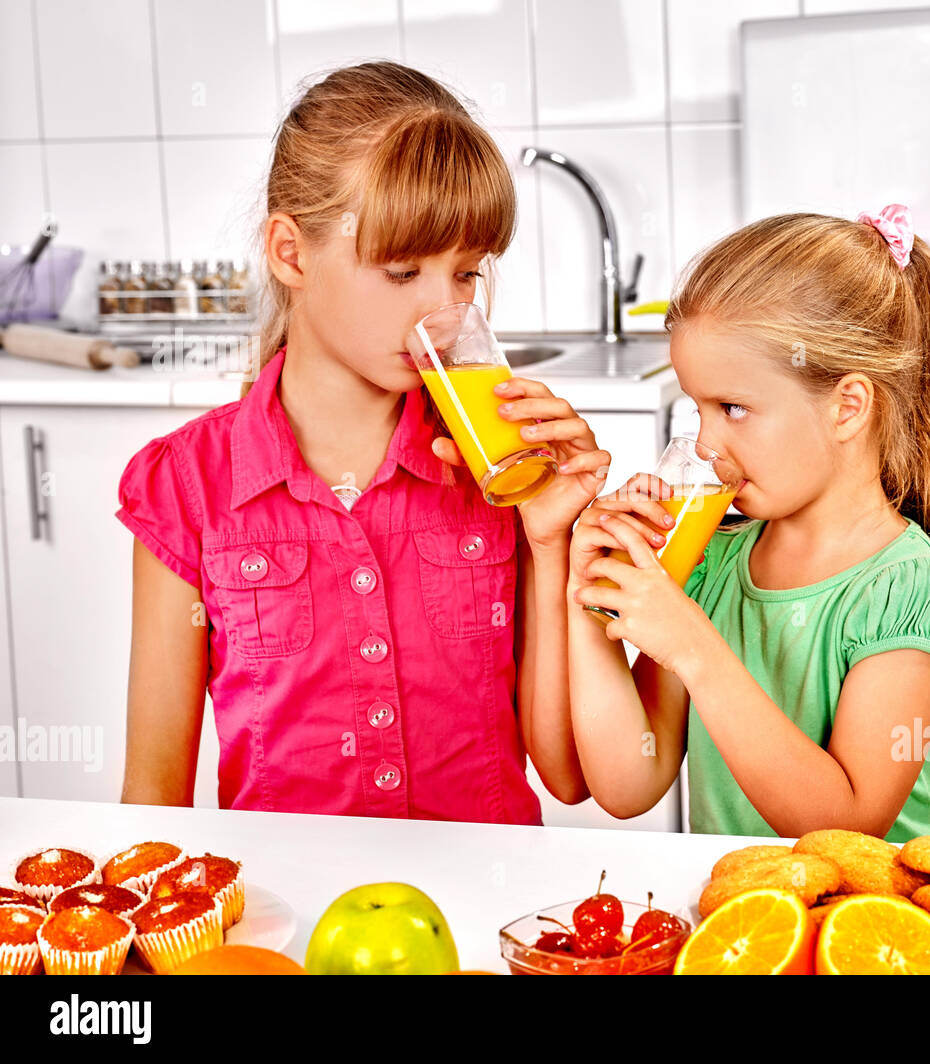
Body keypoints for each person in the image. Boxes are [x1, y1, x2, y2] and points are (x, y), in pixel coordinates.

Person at [117, 62, 606, 821]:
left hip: (482, 900)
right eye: (403, 270)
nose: (442, 309)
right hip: (287, 914)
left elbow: (569, 777)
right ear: (291, 253)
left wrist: (553, 544)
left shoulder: (504, 466)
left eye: (467, 275)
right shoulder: (186, 485)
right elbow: (151, 799)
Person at [567, 207, 930, 841]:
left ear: (847, 407)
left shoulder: (909, 590)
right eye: (697, 408)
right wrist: (594, 602)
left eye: (733, 408)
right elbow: (627, 784)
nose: (705, 443)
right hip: (759, 925)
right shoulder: (709, 566)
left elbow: (846, 825)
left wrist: (690, 642)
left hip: (886, 926)